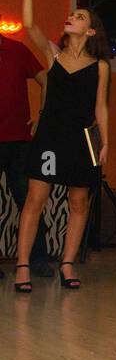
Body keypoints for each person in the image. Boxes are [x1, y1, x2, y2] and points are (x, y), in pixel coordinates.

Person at [13, 0, 110, 291]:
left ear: (91, 30)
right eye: (72, 13)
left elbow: (101, 106)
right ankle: (23, 265)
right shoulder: (53, 54)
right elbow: (28, 25)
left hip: (81, 138)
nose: (72, 16)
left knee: (78, 202)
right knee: (35, 199)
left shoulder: (101, 67)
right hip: (50, 136)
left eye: (79, 16)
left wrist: (105, 143)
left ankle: (67, 264)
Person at [0, 31, 51, 281]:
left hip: (19, 140)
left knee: (29, 199)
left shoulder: (17, 49)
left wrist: (41, 113)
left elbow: (47, 80)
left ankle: (38, 257)